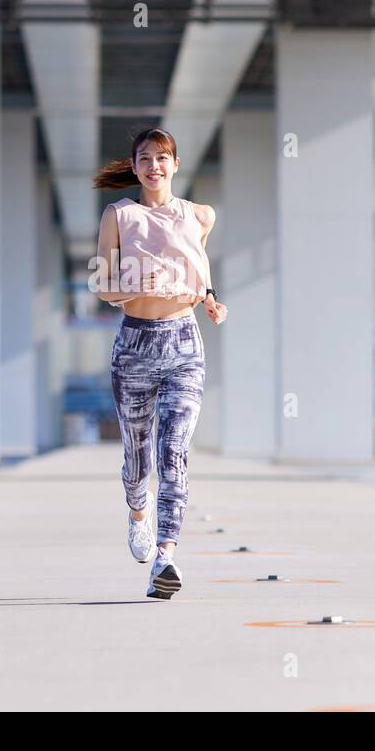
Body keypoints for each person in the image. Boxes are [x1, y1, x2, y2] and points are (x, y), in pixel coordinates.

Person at [91, 126, 228, 599]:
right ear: (134, 167)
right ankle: (137, 514)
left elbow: (196, 262)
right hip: (134, 347)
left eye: (162, 158)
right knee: (138, 458)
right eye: (145, 158)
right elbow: (104, 286)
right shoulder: (119, 215)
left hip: (184, 346)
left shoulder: (200, 215)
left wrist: (209, 298)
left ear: (175, 164)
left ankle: (166, 557)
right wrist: (138, 286)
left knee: (175, 453)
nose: (154, 166)